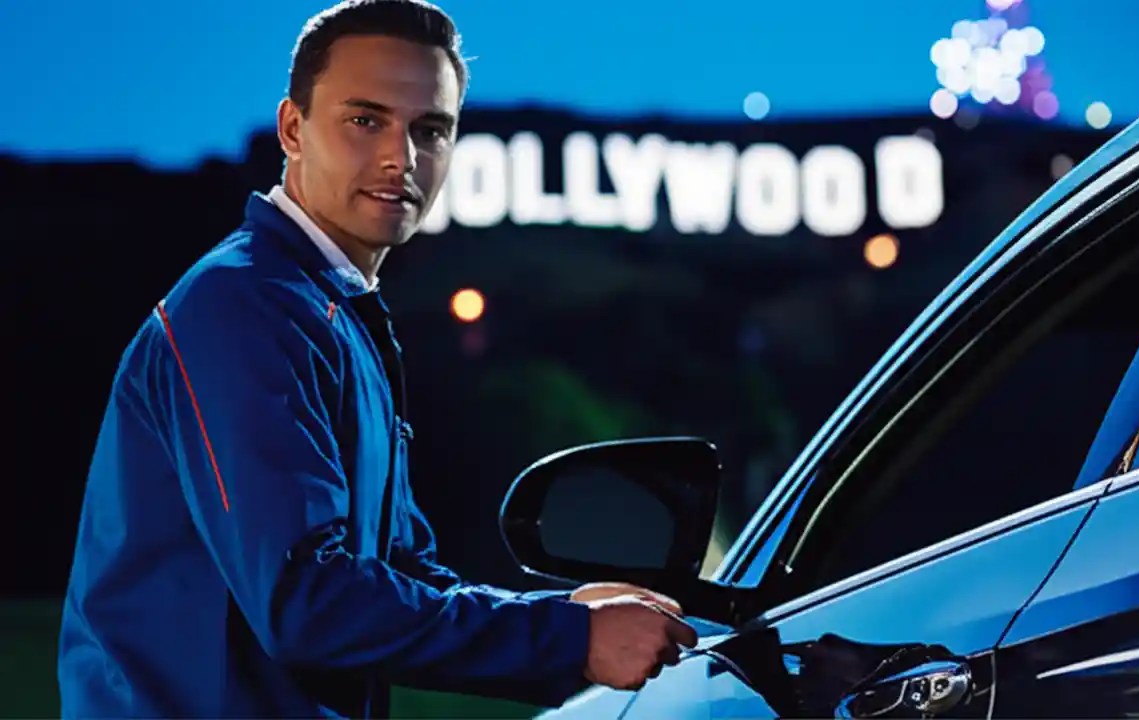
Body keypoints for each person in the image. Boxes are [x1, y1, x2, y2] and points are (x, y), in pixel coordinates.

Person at [56, 1, 697, 717]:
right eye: (366, 120)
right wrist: (565, 637)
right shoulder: (244, 308)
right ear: (293, 129)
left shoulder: (328, 308)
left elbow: (396, 573)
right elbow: (306, 602)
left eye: (431, 129)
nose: (402, 156)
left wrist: (565, 611)